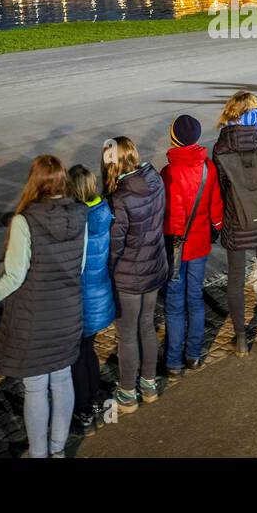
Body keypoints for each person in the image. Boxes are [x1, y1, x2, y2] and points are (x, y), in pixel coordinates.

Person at [0, 155, 85, 458]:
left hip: (35, 317)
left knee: (35, 387)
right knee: (62, 379)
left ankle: (39, 452)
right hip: (68, 312)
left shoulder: (25, 220)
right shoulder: (80, 215)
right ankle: (57, 450)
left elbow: (15, 277)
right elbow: (79, 268)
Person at [212, 91, 257, 357]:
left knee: (235, 276)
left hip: (237, 219)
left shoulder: (221, 145)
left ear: (230, 112)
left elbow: (220, 188)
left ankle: (242, 339)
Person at [103, 136, 168, 413]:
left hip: (129, 275)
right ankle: (149, 384)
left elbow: (116, 244)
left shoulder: (121, 198)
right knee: (146, 326)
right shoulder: (155, 181)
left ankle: (128, 392)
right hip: (153, 264)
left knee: (127, 335)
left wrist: (107, 273)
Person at [160, 115, 223, 378]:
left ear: (174, 138)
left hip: (175, 247)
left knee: (174, 303)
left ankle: (173, 360)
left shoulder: (169, 172)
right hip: (198, 245)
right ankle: (193, 354)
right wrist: (216, 228)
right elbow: (216, 206)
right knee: (195, 298)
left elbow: (170, 214)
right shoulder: (208, 167)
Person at [67, 164, 114, 437]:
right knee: (89, 350)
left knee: (78, 355)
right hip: (100, 294)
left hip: (81, 298)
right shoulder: (104, 212)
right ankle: (93, 396)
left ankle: (83, 409)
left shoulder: (78, 220)